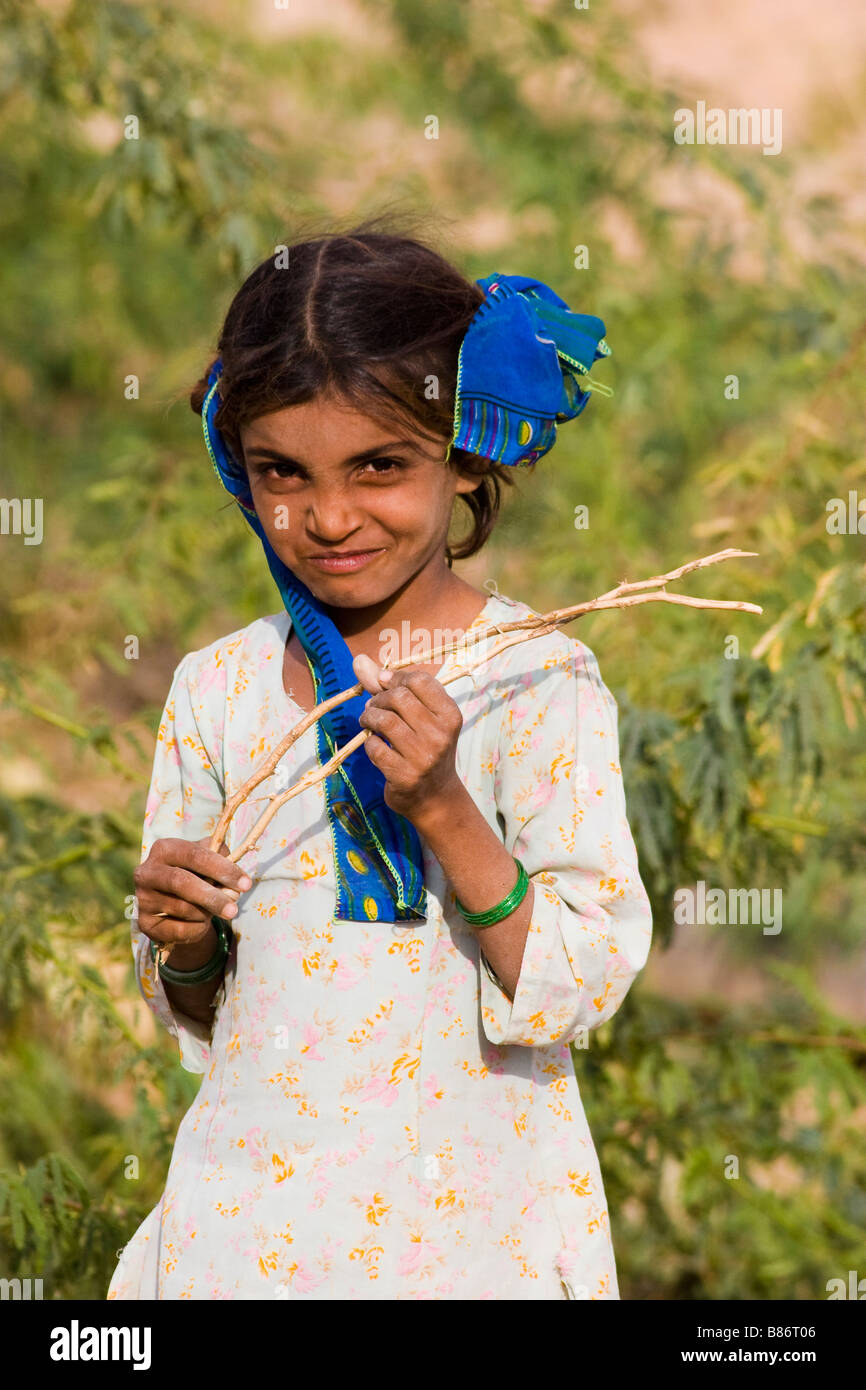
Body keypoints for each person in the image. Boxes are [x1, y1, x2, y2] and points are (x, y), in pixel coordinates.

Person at [107, 221, 652, 1301]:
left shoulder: (536, 679)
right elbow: (199, 1012)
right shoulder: (218, 692)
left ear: (463, 458)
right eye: (281, 472)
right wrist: (180, 943)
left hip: (473, 1241)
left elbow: (578, 985)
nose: (327, 515)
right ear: (238, 466)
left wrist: (445, 809)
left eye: (380, 465)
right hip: (248, 1242)